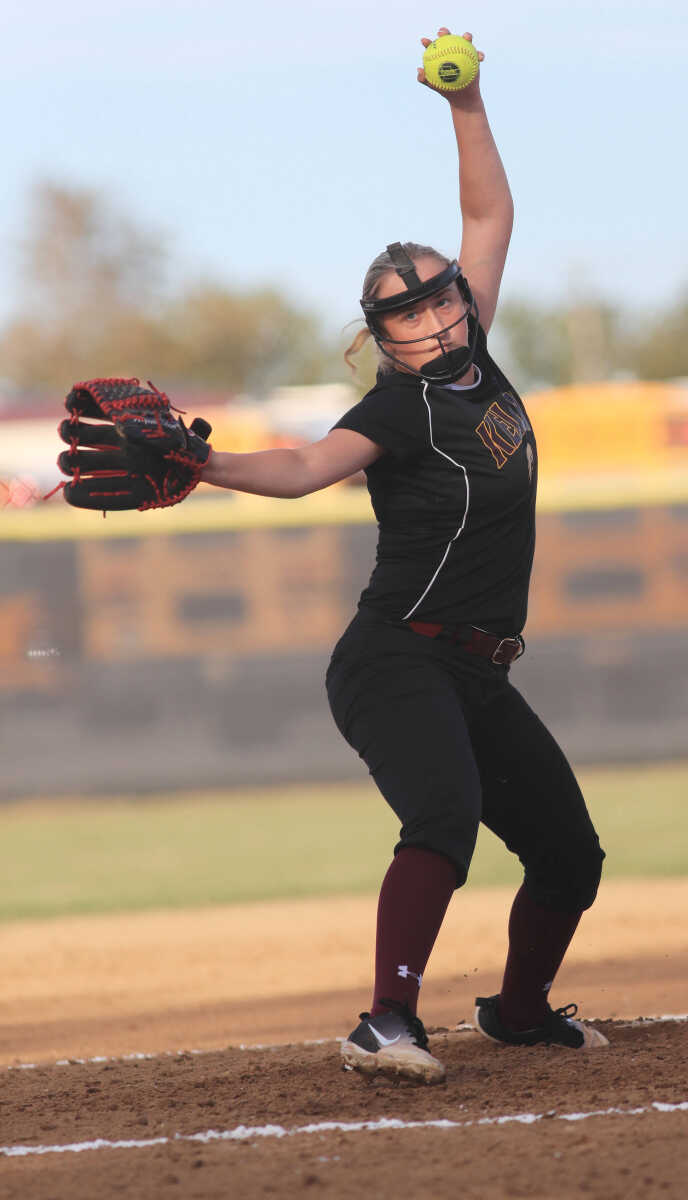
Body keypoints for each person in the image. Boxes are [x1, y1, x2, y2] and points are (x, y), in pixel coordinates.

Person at [201, 27, 608, 1083]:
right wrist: (200, 462)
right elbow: (300, 469)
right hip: (395, 658)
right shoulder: (401, 403)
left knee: (570, 857)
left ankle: (517, 1013)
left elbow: (488, 216)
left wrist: (463, 102)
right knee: (444, 815)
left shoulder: (482, 365)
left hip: (478, 669)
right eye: (406, 309)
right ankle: (384, 1020)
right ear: (381, 337)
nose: (432, 312)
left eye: (440, 295)